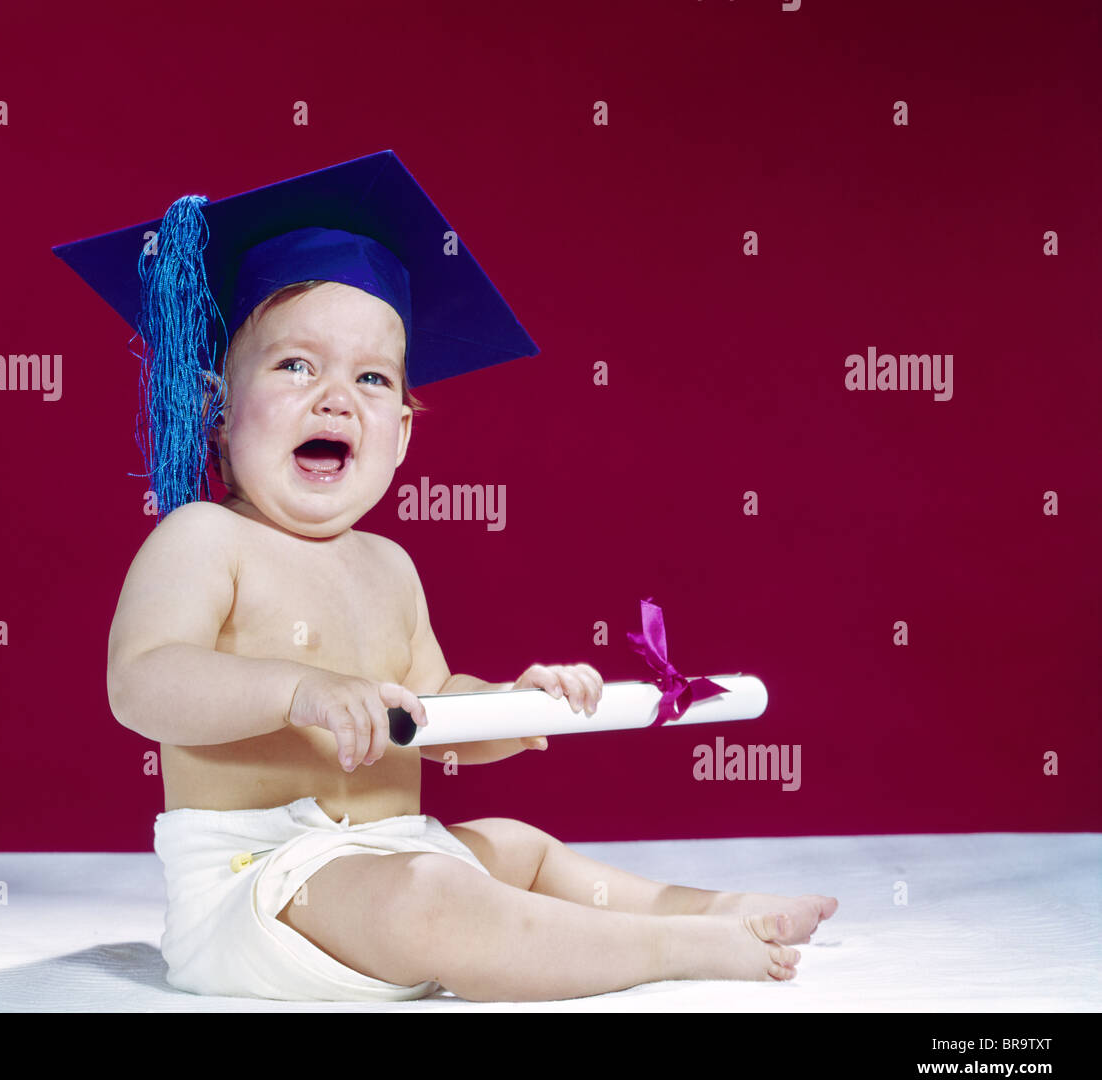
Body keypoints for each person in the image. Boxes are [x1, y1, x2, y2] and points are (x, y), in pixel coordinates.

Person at [53, 150, 836, 1001]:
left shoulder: (389, 567)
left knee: (519, 846)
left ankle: (717, 910)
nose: (335, 398)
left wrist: (516, 706)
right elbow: (144, 682)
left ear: (403, 439)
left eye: (372, 379)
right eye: (295, 366)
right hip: (263, 882)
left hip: (399, 849)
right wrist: (297, 690)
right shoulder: (203, 539)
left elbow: (431, 713)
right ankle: (678, 950)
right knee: (433, 899)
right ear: (215, 409)